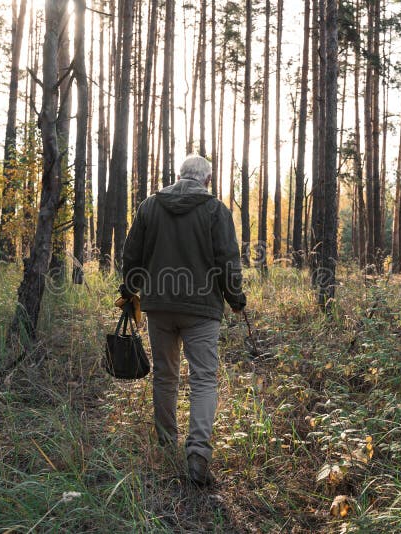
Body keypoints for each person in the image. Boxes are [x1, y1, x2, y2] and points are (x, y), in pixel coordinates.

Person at [121, 154, 246, 486]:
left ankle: (165, 445)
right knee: (204, 379)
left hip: (158, 305)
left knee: (165, 376)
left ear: (179, 176)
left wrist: (130, 289)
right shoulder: (216, 210)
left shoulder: (150, 206)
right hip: (202, 309)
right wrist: (236, 299)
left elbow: (132, 254)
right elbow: (227, 262)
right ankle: (198, 453)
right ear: (207, 181)